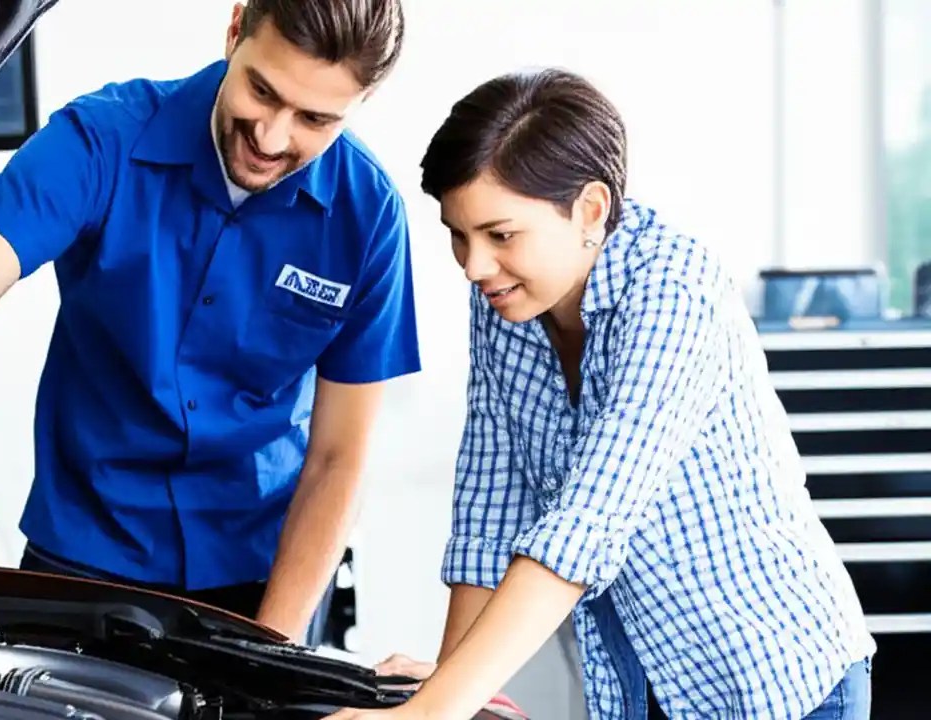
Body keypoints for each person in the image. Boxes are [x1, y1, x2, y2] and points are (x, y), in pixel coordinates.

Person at [0, 0, 421, 644]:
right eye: (262, 90)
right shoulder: (102, 138)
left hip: (263, 576)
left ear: (360, 106)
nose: (272, 137)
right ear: (234, 31)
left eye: (315, 118)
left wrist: (273, 650)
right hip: (82, 563)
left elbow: (339, 460)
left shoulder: (369, 218)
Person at [327, 69, 874, 719]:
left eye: (500, 235)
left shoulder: (675, 291)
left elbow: (588, 523)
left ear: (589, 210)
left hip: (778, 681)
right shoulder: (506, 299)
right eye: (458, 234)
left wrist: (428, 714)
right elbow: (488, 507)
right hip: (645, 682)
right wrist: (450, 690)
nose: (474, 265)